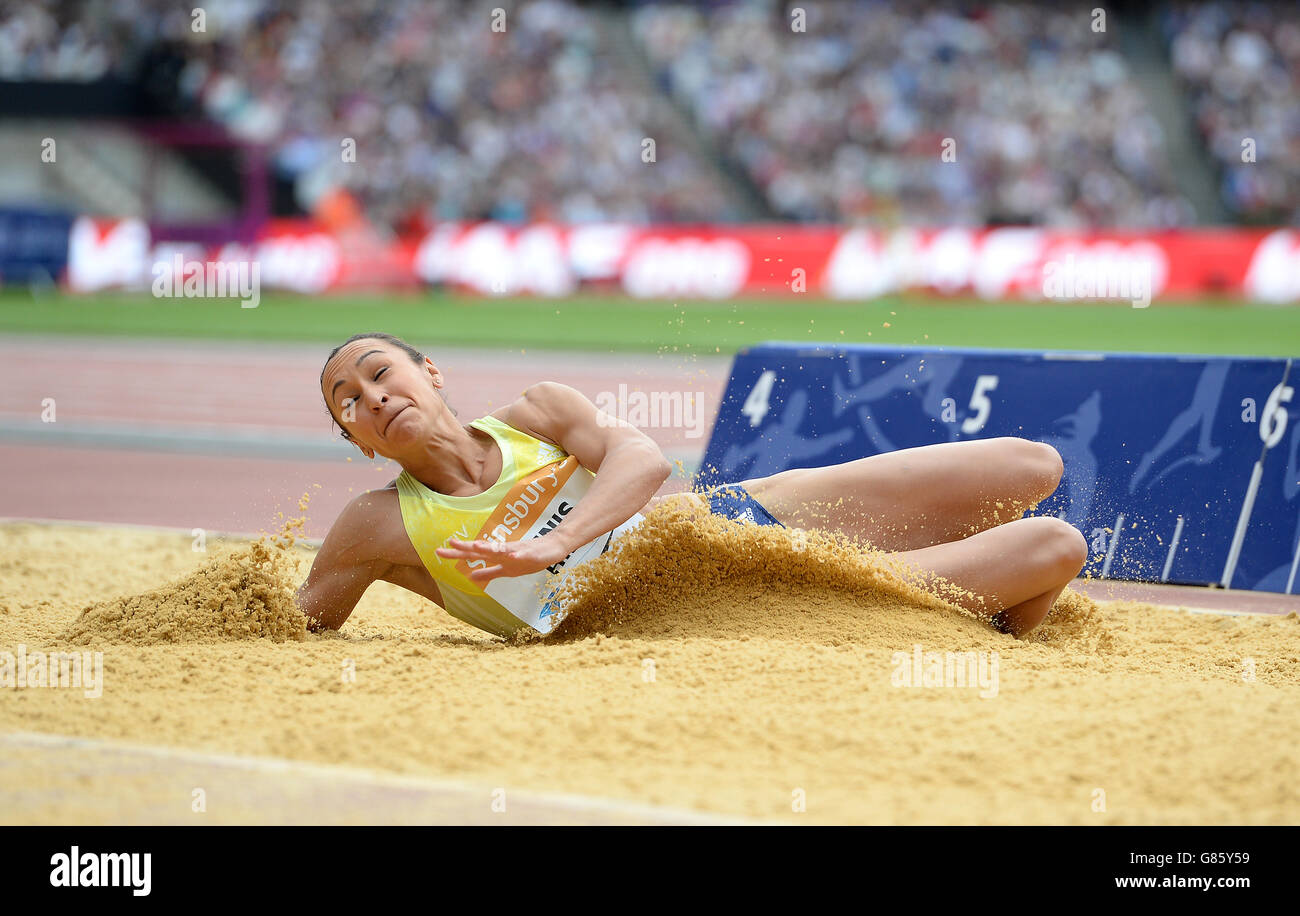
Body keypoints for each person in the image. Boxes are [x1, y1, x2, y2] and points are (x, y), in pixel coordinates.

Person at [297, 333, 1088, 640]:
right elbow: (301, 623)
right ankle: (956, 621)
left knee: (1034, 466)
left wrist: (552, 544)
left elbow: (645, 463)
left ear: (428, 371)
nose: (372, 397)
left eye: (380, 373)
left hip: (737, 515)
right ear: (358, 443)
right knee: (1058, 544)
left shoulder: (536, 414)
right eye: (349, 403)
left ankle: (965, 613)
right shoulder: (377, 525)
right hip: (731, 591)